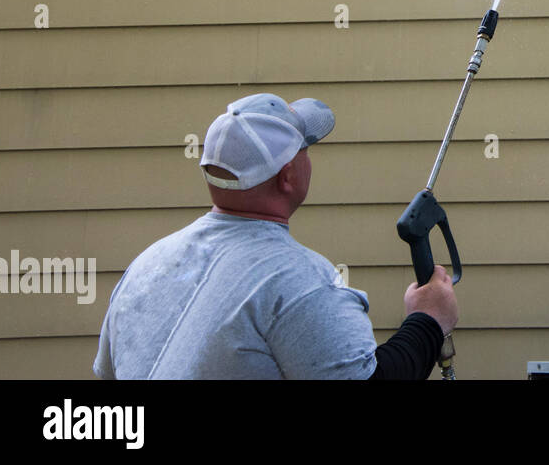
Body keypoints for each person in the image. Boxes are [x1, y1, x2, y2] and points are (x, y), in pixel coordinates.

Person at [93, 93, 458, 379]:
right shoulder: (299, 282)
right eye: (305, 148)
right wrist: (428, 320)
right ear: (287, 176)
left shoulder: (145, 265)